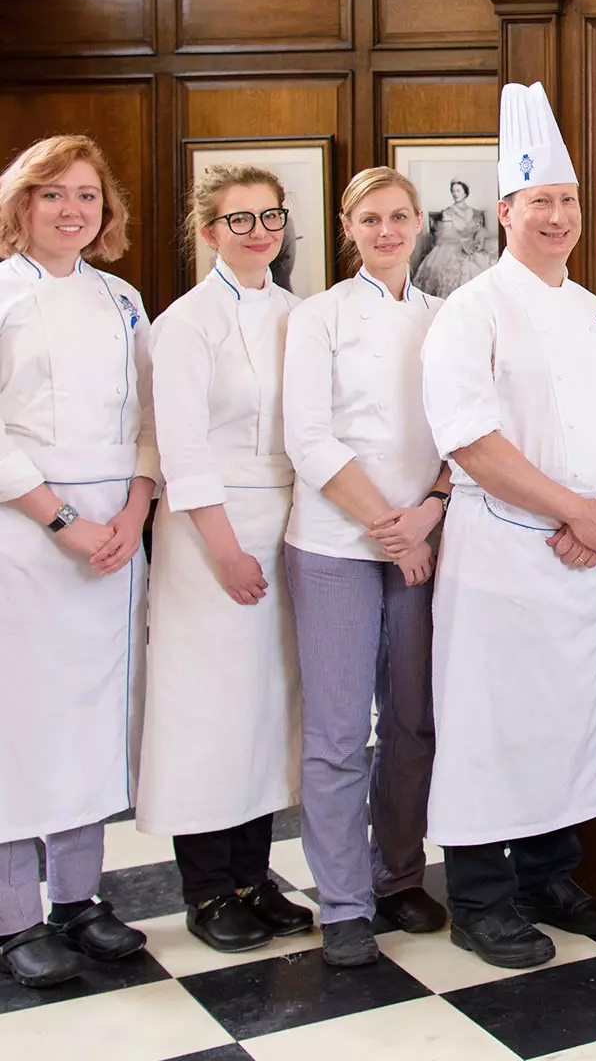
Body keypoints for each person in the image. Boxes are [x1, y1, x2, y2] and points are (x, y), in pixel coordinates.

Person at [421, 83, 596, 968]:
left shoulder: (592, 311)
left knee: (562, 717)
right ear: (505, 212)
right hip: (502, 556)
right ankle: (480, 898)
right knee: (490, 722)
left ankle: (550, 874)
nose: (557, 217)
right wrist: (580, 515)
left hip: (579, 554)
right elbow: (473, 445)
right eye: (539, 203)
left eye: (567, 201)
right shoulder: (469, 311)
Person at [137, 166, 311, 953]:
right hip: (208, 527)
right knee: (208, 707)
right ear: (208, 233)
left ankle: (252, 875)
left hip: (286, 515)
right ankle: (207, 889)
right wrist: (224, 548)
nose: (258, 231)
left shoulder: (298, 314)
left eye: (269, 216)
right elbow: (181, 445)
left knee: (268, 704)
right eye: (238, 220)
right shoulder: (186, 322)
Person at [282, 168, 451, 969]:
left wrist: (427, 514)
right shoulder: (319, 318)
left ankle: (399, 875)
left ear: (420, 223)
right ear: (348, 228)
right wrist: (389, 526)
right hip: (333, 542)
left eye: (399, 216)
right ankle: (345, 902)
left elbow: (463, 436)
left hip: (420, 538)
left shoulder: (445, 319)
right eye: (370, 218)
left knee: (414, 723)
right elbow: (309, 439)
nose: (387, 231)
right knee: (340, 733)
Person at [0, 137, 156, 988]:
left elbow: (150, 421)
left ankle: (81, 901)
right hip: (28, 530)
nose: (72, 210)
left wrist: (134, 510)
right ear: (20, 204)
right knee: (22, 725)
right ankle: (14, 914)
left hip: (114, 536)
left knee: (95, 720)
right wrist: (60, 519)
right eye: (52, 194)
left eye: (88, 196)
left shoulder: (122, 298)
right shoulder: (1, 297)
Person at [414, 180, 491, 297]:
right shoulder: (448, 213)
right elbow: (447, 234)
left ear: (465, 192)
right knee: (449, 270)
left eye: (458, 191)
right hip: (452, 246)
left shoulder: (475, 213)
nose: (455, 194)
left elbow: (480, 231)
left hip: (473, 247)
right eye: (453, 191)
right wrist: (463, 243)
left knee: (486, 265)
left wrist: (478, 242)